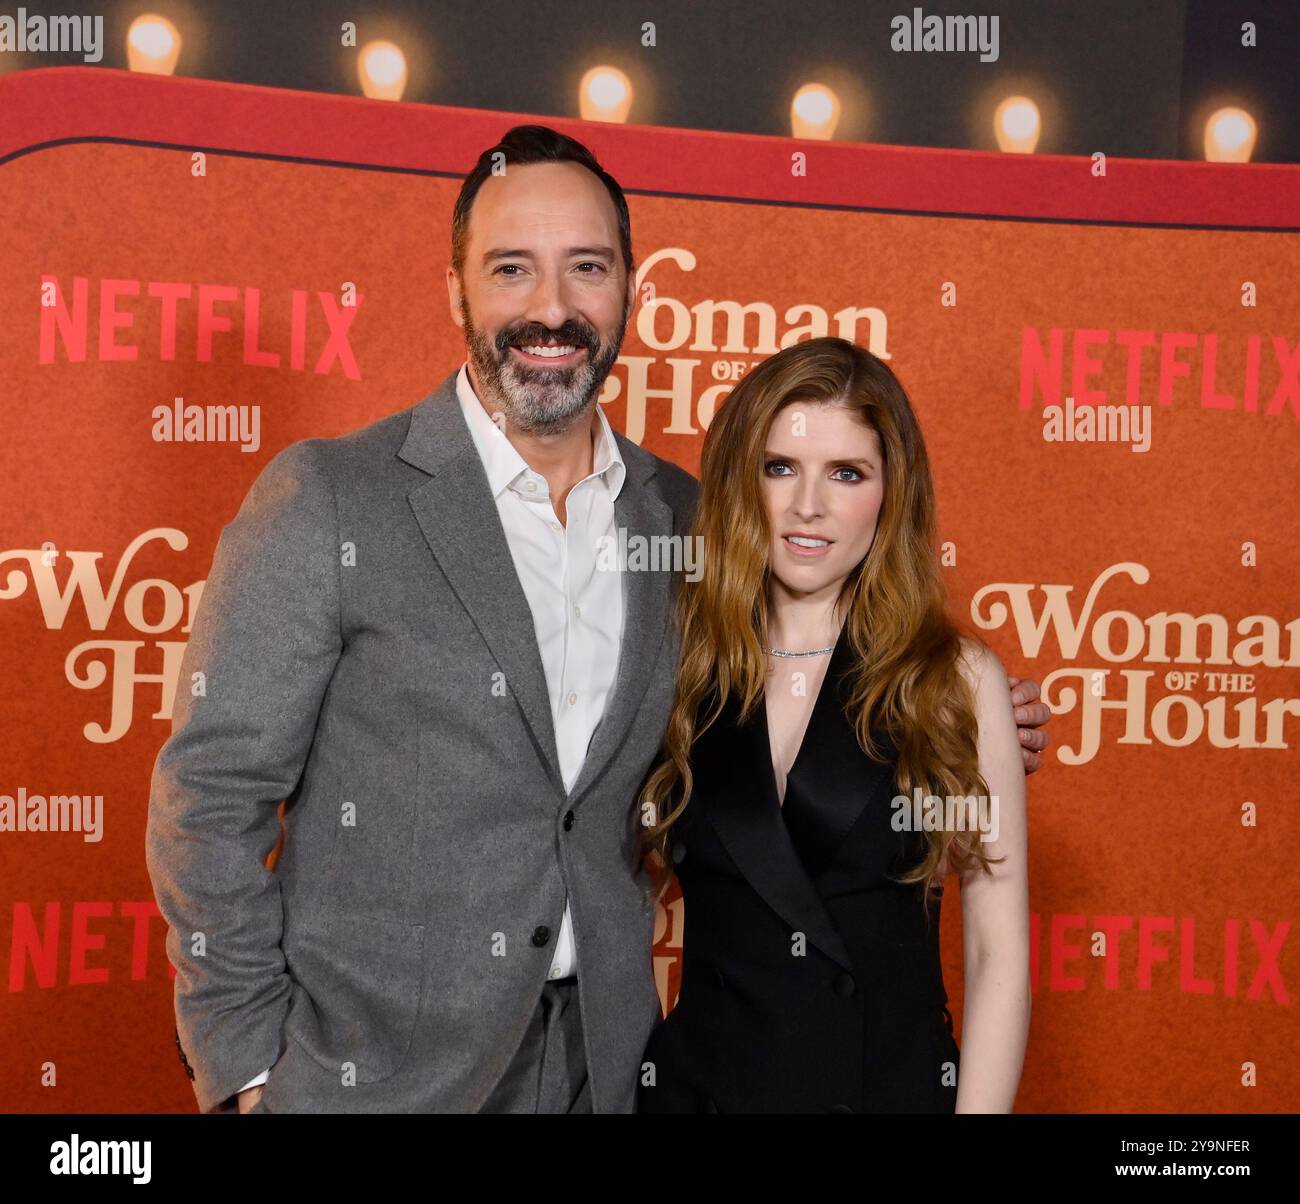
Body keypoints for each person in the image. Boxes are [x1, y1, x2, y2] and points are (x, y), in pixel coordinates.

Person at [146, 125, 1047, 1115]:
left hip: (611, 1077)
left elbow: (828, 680)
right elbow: (209, 796)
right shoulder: (332, 498)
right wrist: (249, 1069)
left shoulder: (693, 522)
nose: (551, 308)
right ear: (456, 291)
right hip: (371, 1081)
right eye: (510, 269)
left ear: (630, 293)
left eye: (586, 268)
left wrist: (971, 714)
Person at [637, 337, 1030, 1113]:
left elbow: (998, 954)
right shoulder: (680, 666)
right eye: (779, 467)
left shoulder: (954, 680)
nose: (807, 505)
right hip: (704, 1092)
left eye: (846, 473)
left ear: (891, 492)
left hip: (887, 1089)